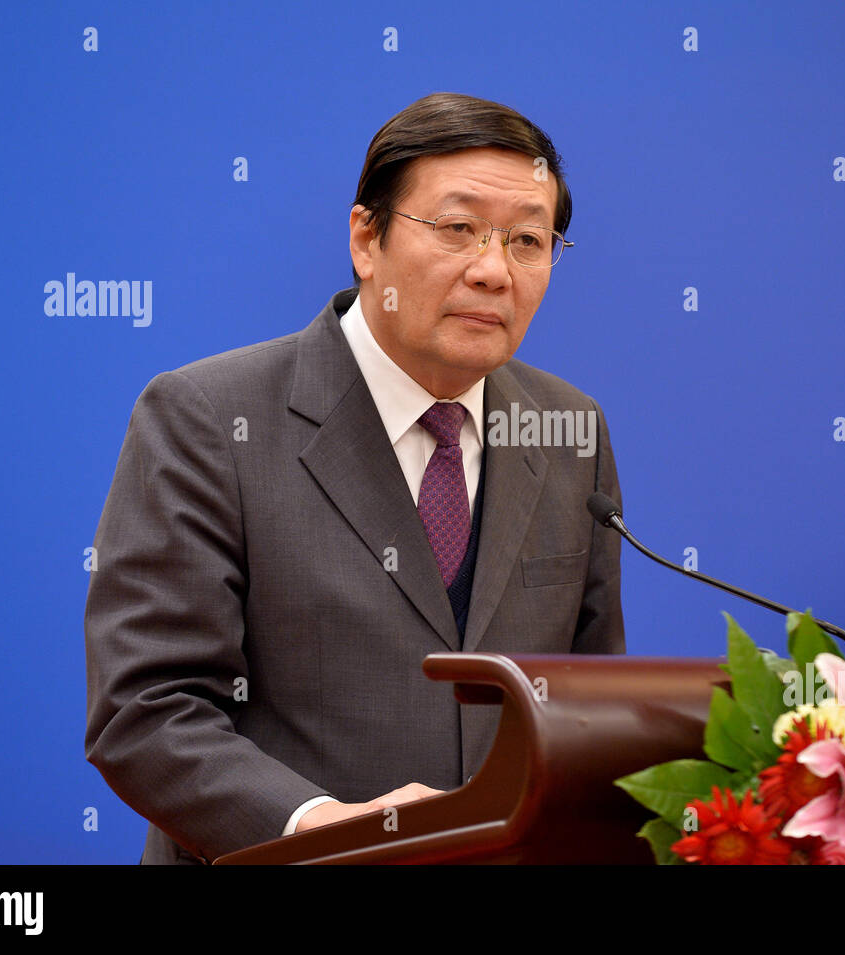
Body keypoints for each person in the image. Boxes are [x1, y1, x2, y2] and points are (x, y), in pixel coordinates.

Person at [83, 92, 625, 864]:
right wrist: (325, 828)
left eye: (528, 241)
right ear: (365, 239)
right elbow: (144, 711)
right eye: (458, 228)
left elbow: (589, 706)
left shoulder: (571, 427)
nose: (492, 271)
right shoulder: (209, 416)